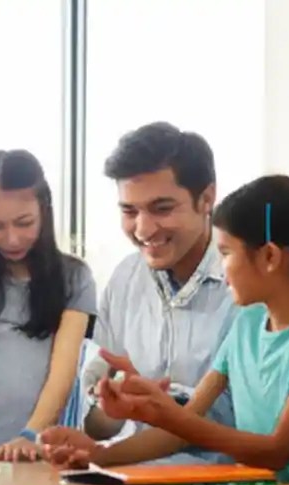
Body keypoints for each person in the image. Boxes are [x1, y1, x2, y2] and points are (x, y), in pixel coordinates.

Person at [46, 175, 289, 485]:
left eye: (225, 253)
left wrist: (168, 414)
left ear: (270, 256)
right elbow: (181, 430)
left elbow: (277, 451)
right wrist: (99, 455)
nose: (220, 266)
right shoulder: (247, 324)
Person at [79, 121, 237, 463]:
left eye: (162, 209)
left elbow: (256, 424)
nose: (143, 229)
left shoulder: (244, 283)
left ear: (207, 199)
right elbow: (97, 426)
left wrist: (157, 410)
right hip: (134, 477)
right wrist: (114, 405)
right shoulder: (125, 279)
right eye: (129, 211)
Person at [0, 150, 96, 460]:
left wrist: (31, 434)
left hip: (45, 446)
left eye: (24, 222)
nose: (11, 239)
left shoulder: (75, 278)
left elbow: (63, 372)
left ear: (44, 211)